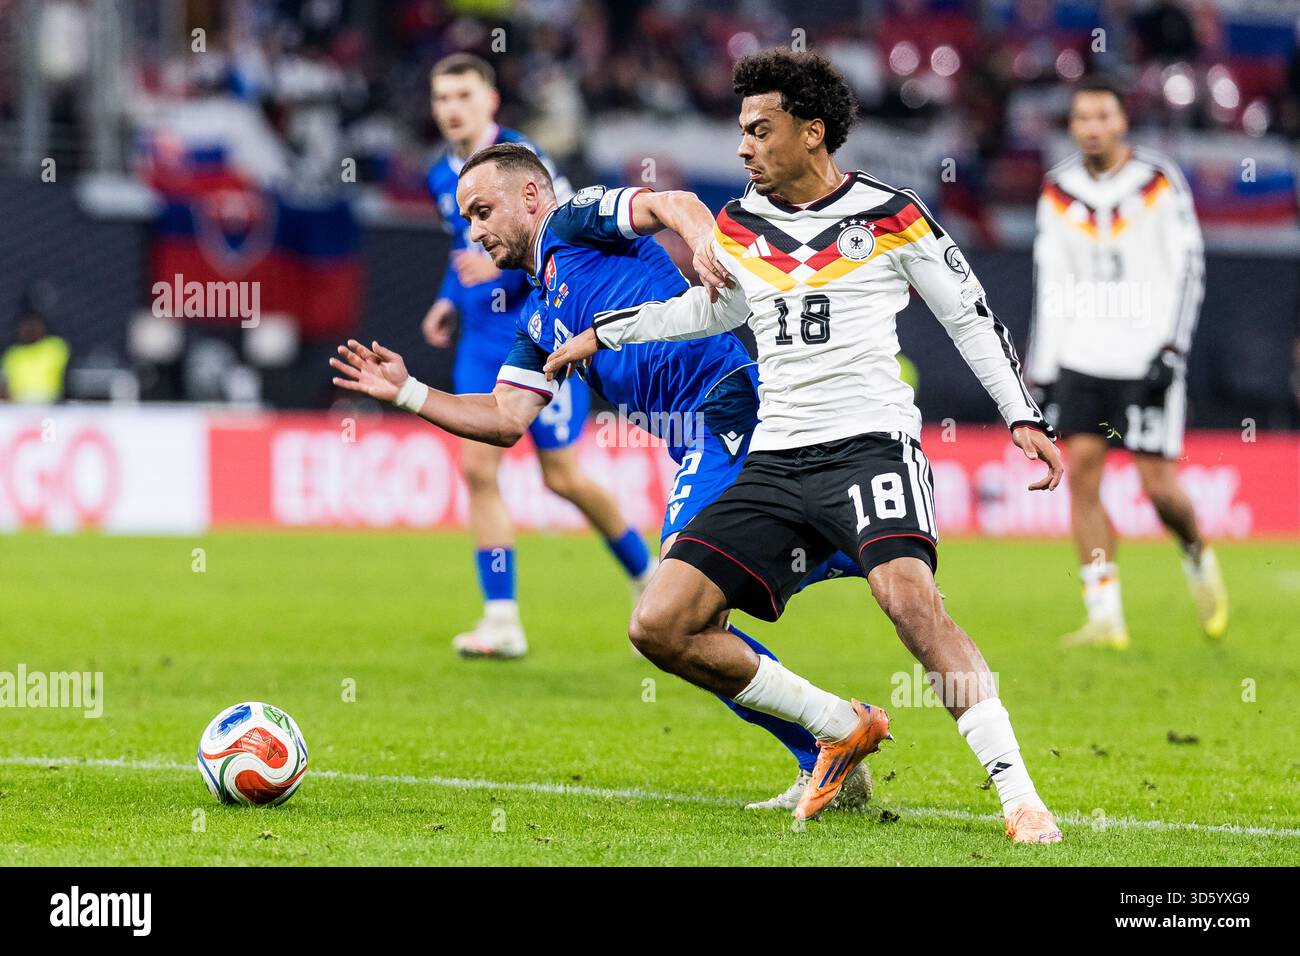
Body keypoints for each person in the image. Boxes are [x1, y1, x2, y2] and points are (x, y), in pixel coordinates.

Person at [545, 50, 1065, 843]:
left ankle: (1019, 796)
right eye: (742, 132)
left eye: (761, 130)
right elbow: (705, 314)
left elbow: (969, 315)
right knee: (661, 622)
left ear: (812, 132)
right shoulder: (740, 226)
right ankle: (837, 725)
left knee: (907, 600)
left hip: (870, 448)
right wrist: (604, 334)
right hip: (777, 458)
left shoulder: (893, 213)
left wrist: (1021, 414)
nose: (745, 148)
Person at [332, 142, 871, 812]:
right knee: (687, 624)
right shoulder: (539, 319)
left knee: (669, 620)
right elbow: (504, 418)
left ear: (530, 194)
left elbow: (668, 203)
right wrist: (410, 391)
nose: (474, 230)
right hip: (699, 437)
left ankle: (836, 724)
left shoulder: (573, 220)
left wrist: (704, 243)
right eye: (466, 218)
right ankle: (858, 562)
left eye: (483, 210)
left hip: (728, 405)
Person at [422, 53, 651, 659]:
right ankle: (501, 618)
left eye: (463, 96)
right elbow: (462, 251)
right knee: (478, 470)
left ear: (490, 101)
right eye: (442, 98)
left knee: (563, 477)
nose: (451, 109)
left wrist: (504, 282)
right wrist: (450, 298)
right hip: (478, 341)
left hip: (539, 333)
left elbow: (561, 243)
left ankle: (646, 574)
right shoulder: (439, 176)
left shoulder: (526, 163)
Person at [1026, 75, 1227, 648]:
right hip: (1083, 355)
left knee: (1158, 485)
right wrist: (1042, 370)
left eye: (1103, 117)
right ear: (1072, 125)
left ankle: (1195, 552)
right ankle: (1104, 612)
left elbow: (1189, 268)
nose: (1092, 128)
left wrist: (1173, 348)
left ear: (1122, 121)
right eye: (1082, 118)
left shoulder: (1159, 182)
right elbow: (1051, 284)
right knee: (1082, 474)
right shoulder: (1057, 190)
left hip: (1147, 355)